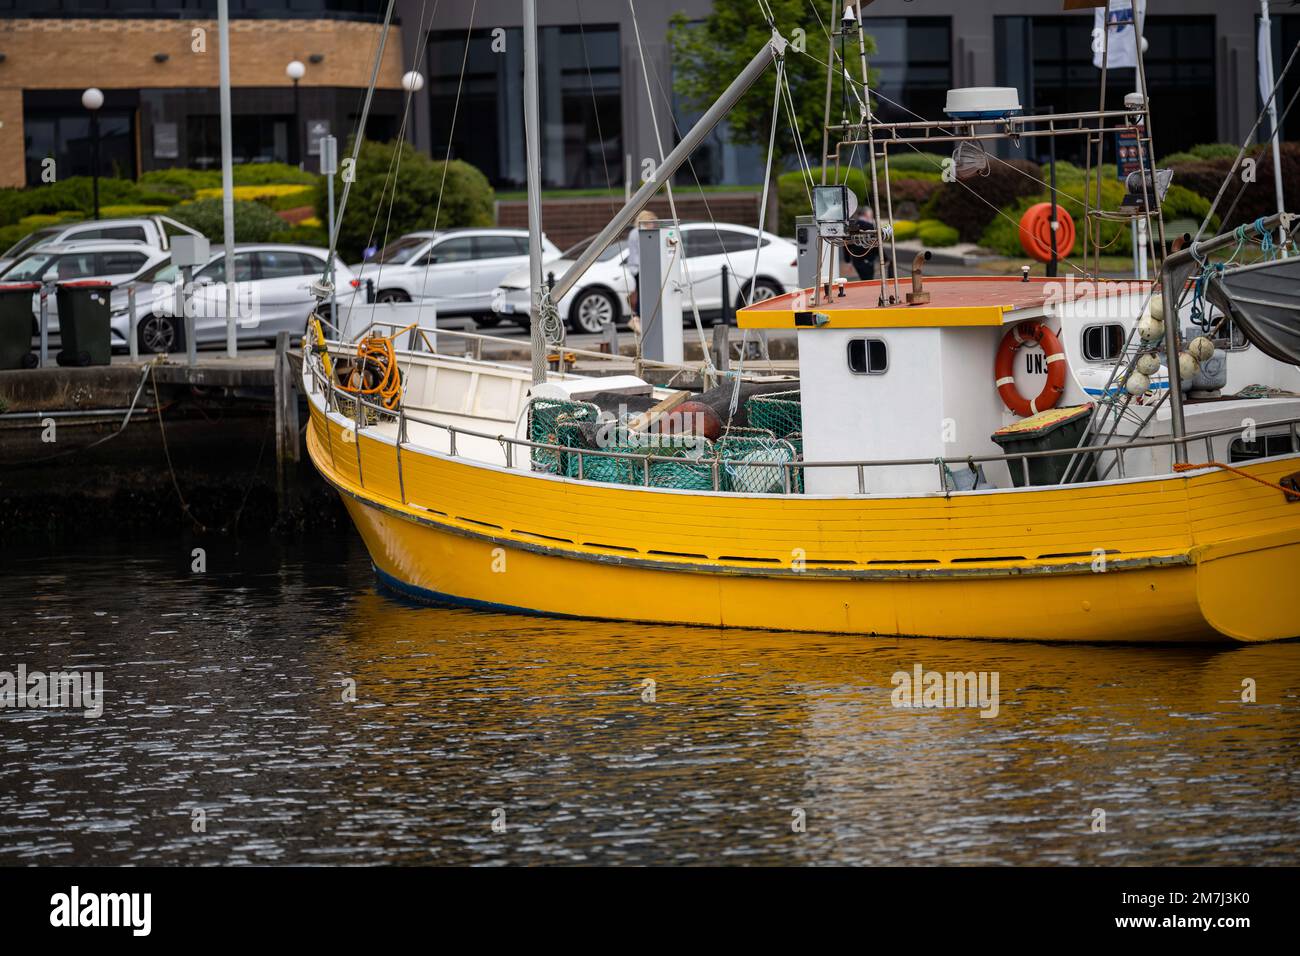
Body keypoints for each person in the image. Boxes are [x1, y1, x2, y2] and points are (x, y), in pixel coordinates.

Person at [626, 209, 656, 319]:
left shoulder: (634, 232)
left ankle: (638, 316)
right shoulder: (642, 233)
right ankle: (639, 317)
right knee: (643, 294)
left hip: (635, 267)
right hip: (640, 267)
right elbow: (645, 252)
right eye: (652, 221)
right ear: (646, 221)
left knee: (640, 293)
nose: (653, 224)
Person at [847, 206, 880, 281]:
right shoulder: (870, 226)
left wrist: (848, 260)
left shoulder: (853, 226)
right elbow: (876, 244)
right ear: (866, 215)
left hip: (856, 259)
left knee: (863, 279)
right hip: (868, 259)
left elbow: (846, 244)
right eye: (871, 215)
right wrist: (884, 258)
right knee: (868, 281)